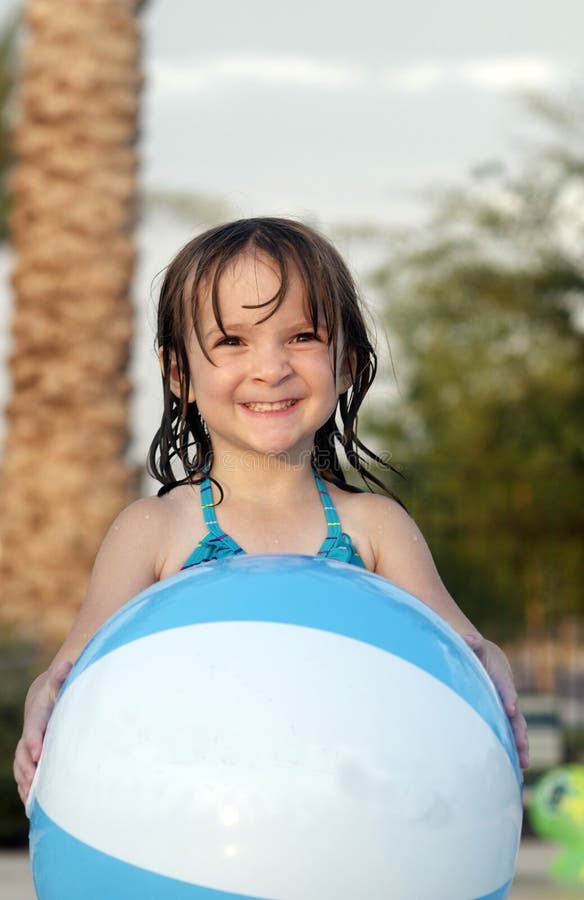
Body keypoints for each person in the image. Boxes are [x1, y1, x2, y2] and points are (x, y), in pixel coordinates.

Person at [14, 217, 529, 803]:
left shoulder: (375, 529)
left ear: (347, 364)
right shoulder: (154, 531)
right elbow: (73, 676)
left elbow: (461, 654)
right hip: (192, 810)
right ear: (180, 373)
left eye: (302, 337)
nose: (271, 368)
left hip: (353, 811)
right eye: (232, 342)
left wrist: (491, 665)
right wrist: (42, 700)